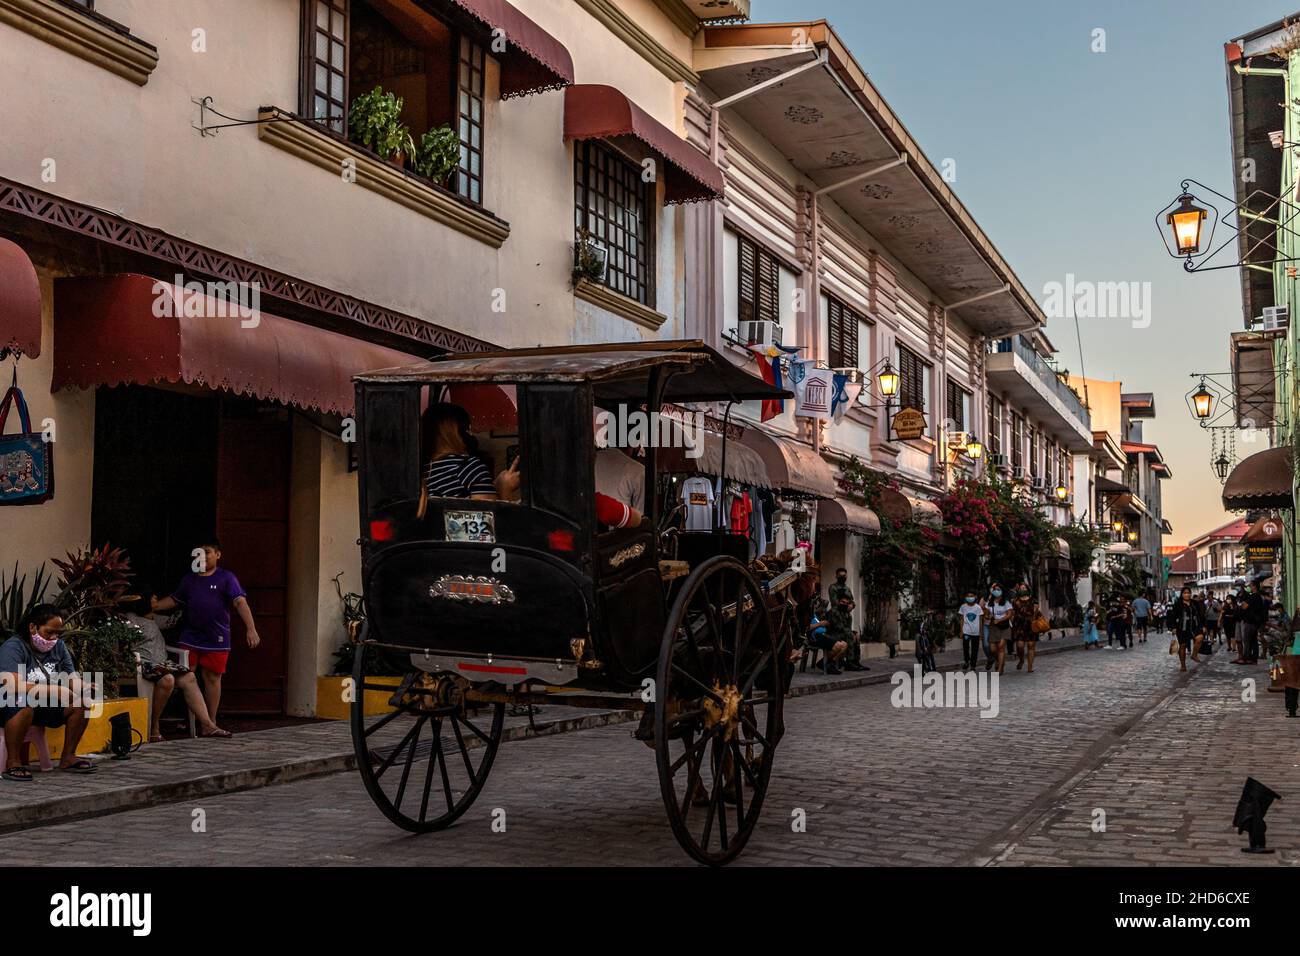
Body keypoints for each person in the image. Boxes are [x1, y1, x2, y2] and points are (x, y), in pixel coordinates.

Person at [151, 538, 260, 732]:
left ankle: (210, 722)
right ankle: (188, 719)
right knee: (184, 675)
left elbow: (240, 603)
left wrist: (251, 628)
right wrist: (156, 606)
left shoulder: (227, 578)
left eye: (207, 552)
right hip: (190, 637)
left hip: (216, 638)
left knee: (212, 679)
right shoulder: (189, 579)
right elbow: (175, 599)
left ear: (217, 554)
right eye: (198, 552)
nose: (202, 556)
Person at [0, 604, 97, 780]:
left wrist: (81, 687)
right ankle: (13, 762)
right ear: (32, 627)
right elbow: (10, 684)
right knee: (24, 703)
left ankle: (68, 756)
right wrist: (52, 690)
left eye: (57, 633)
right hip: (9, 705)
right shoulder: (13, 647)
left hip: (41, 706)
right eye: (49, 632)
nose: (53, 638)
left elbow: (70, 677)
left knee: (82, 703)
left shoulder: (59, 647)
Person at [123, 598, 226, 741]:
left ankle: (208, 725)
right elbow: (123, 638)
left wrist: (190, 604)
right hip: (144, 664)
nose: (156, 601)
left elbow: (172, 620)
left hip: (163, 663)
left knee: (189, 676)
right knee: (168, 679)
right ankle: (154, 726)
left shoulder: (154, 619)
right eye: (152, 599)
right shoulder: (130, 619)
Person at [422, 402, 519, 500]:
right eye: (467, 428)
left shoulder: (423, 471)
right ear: (456, 433)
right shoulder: (468, 467)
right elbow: (489, 514)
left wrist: (491, 486)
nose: (471, 434)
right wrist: (505, 488)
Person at [827, 568, 863, 671]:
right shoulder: (833, 587)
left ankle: (856, 661)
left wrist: (851, 605)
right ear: (836, 576)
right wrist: (845, 606)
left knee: (856, 634)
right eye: (841, 575)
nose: (843, 577)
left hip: (845, 619)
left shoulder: (847, 589)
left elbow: (852, 602)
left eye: (844, 575)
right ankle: (849, 662)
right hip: (836, 629)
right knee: (849, 635)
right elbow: (835, 603)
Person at [1167, 586, 1204, 673]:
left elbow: (1200, 615)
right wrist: (1173, 627)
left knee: (1200, 638)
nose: (1187, 594)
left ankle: (1194, 654)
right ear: (1182, 594)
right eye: (1185, 593)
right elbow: (1172, 616)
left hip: (1194, 626)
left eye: (1188, 593)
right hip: (1182, 627)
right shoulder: (1178, 603)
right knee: (1182, 646)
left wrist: (1203, 625)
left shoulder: (1194, 603)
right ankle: (1183, 665)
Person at [807, 598, 847, 675]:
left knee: (844, 644)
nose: (816, 606)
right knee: (839, 646)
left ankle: (826, 662)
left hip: (824, 634)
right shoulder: (808, 614)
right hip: (815, 637)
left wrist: (825, 623)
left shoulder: (815, 614)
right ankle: (828, 664)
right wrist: (821, 624)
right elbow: (806, 628)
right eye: (815, 604)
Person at [1011, 584, 1043, 673]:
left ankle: (1030, 667)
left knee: (1031, 645)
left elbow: (1037, 612)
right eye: (1021, 588)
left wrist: (1036, 611)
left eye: (1024, 588)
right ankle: (1021, 659)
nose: (1023, 589)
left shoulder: (1033, 600)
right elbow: (1012, 613)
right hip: (1019, 625)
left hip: (1031, 624)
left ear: (1028, 589)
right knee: (1020, 645)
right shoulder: (1015, 601)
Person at [985, 584, 1013, 675]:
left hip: (1004, 626)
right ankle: (998, 660)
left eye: (998, 589)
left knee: (1001, 646)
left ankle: (1000, 668)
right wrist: (989, 616)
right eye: (994, 589)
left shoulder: (1006, 602)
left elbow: (1009, 614)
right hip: (993, 626)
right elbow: (986, 614)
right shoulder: (990, 602)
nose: (996, 591)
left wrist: (1000, 619)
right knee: (992, 649)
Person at [958, 590, 985, 670]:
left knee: (975, 649)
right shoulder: (963, 607)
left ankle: (973, 664)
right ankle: (966, 661)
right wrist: (961, 631)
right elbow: (961, 619)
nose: (970, 598)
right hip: (966, 631)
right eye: (968, 596)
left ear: (975, 597)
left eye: (971, 596)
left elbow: (980, 620)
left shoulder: (978, 607)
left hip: (976, 632)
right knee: (965, 647)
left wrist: (981, 633)